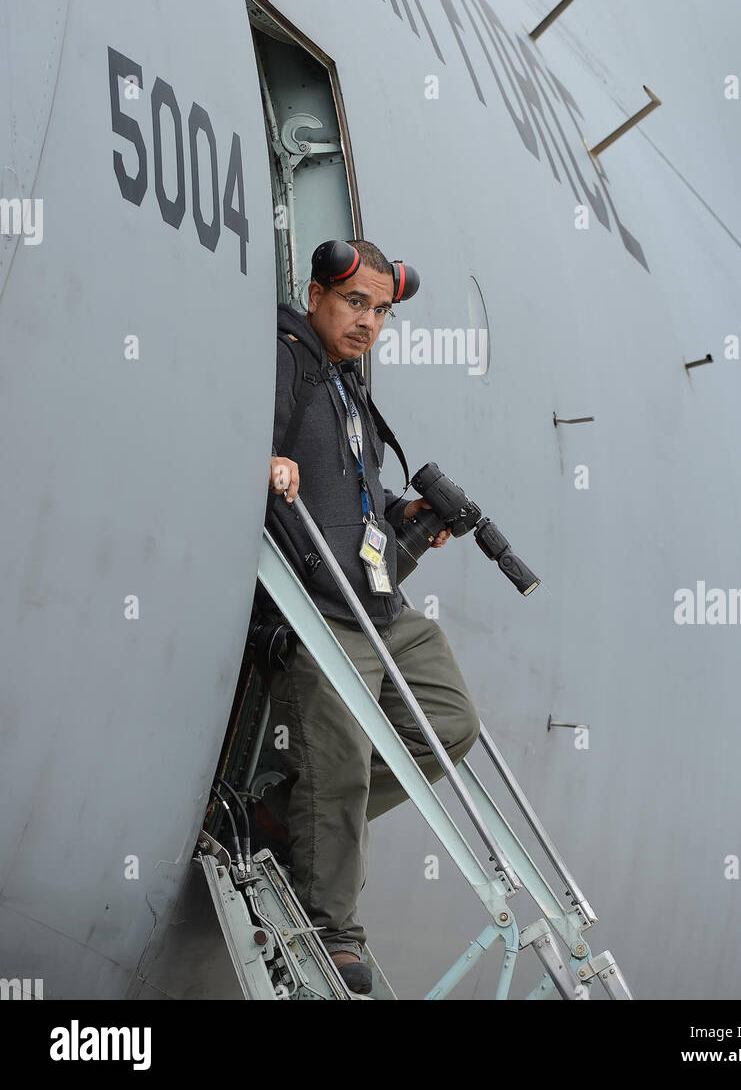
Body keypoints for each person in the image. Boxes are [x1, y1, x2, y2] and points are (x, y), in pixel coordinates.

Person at [252, 238, 481, 995]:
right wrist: (263, 455)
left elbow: (352, 500)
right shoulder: (283, 355)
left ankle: (290, 812)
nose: (369, 321)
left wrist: (404, 511)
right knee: (341, 757)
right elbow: (236, 431)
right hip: (320, 609)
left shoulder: (347, 384)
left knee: (448, 721)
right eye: (356, 303)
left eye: (381, 309)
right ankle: (332, 932)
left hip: (378, 604)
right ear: (316, 292)